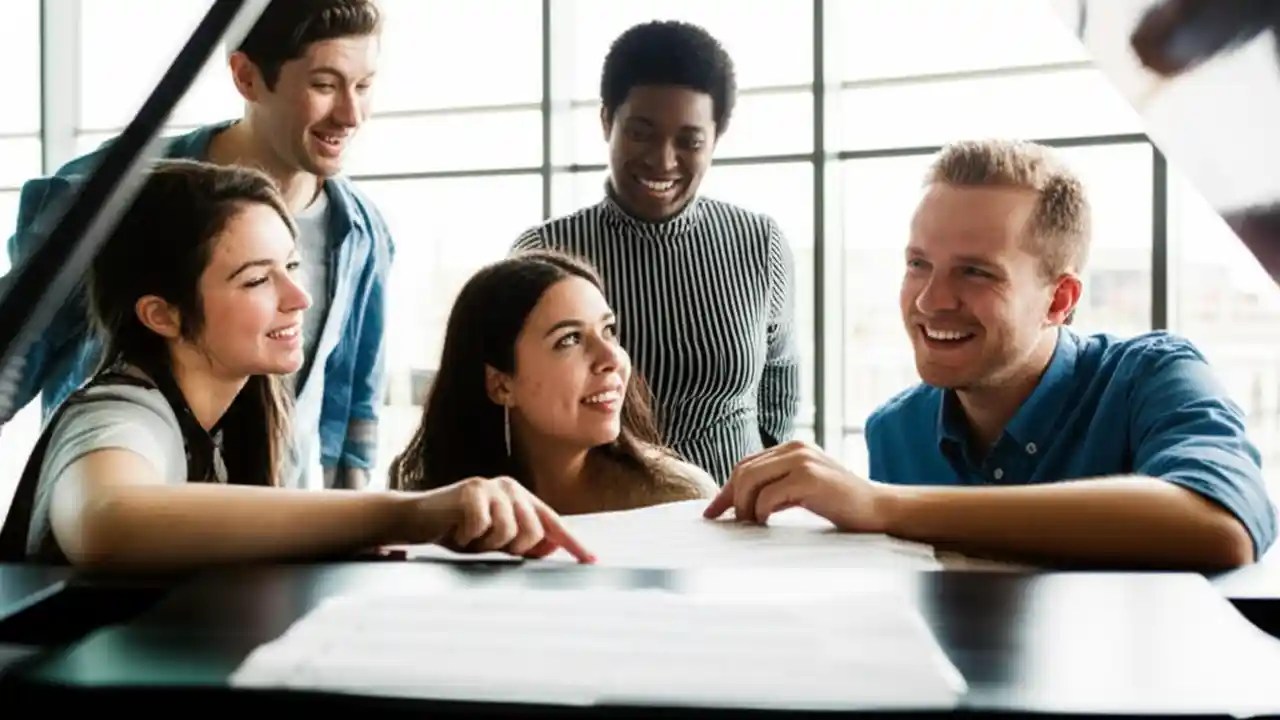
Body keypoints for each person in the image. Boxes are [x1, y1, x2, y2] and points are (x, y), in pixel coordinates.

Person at [705, 139, 1277, 570]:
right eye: (917, 264)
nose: (930, 300)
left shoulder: (1152, 376)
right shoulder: (896, 431)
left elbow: (1221, 524)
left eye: (975, 272)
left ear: (1060, 299)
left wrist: (884, 506)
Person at [0, 160, 591, 569]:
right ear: (163, 315)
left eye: (291, 265)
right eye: (257, 279)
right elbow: (107, 518)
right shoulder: (121, 409)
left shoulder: (237, 418)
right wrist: (407, 513)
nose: (298, 298)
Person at [2, 0, 391, 490]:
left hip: (267, 530)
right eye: (324, 85)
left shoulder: (361, 233)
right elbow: (11, 357)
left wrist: (352, 533)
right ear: (247, 78)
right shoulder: (108, 199)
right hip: (123, 501)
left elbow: (350, 405)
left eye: (364, 85)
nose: (350, 114)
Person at [510, 20, 801, 486]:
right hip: (603, 519)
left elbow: (780, 384)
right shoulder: (545, 253)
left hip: (735, 518)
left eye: (689, 141)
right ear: (607, 121)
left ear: (715, 139)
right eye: (641, 133)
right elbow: (520, 404)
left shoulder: (758, 242)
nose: (663, 160)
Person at [389, 250, 716, 515]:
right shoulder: (429, 502)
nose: (612, 358)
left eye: (609, 330)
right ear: (501, 385)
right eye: (570, 339)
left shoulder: (677, 498)